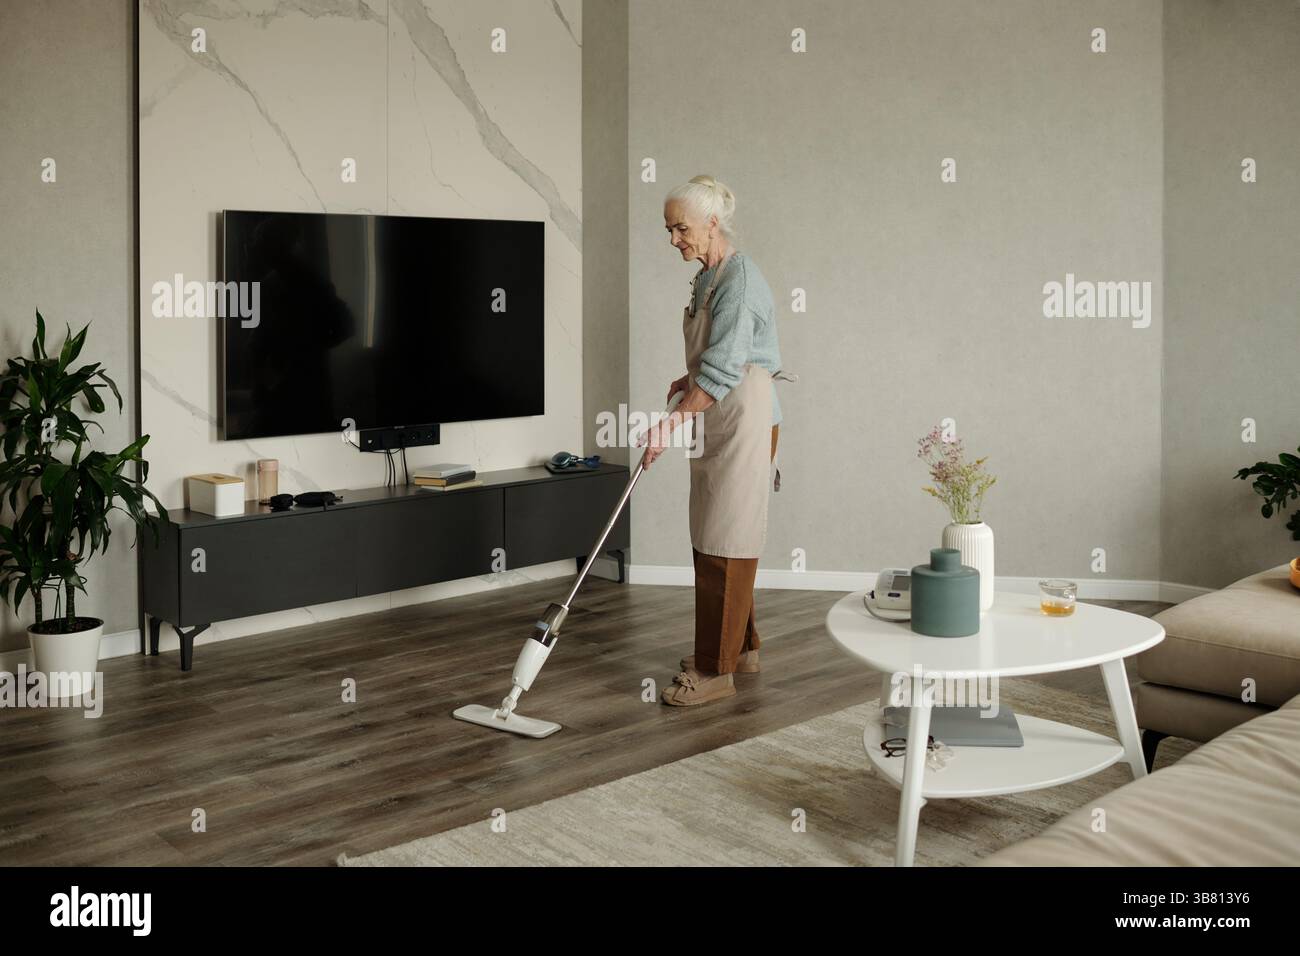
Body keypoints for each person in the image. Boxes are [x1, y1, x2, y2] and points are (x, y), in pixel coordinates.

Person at [640, 175, 791, 707]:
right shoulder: (708, 277)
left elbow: (728, 367)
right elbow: (718, 356)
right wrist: (688, 382)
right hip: (717, 412)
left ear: (711, 223)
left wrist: (669, 422)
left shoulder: (739, 281)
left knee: (729, 538)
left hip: (744, 418)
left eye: (681, 228)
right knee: (714, 528)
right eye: (669, 229)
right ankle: (742, 646)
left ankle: (714, 670)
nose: (673, 239)